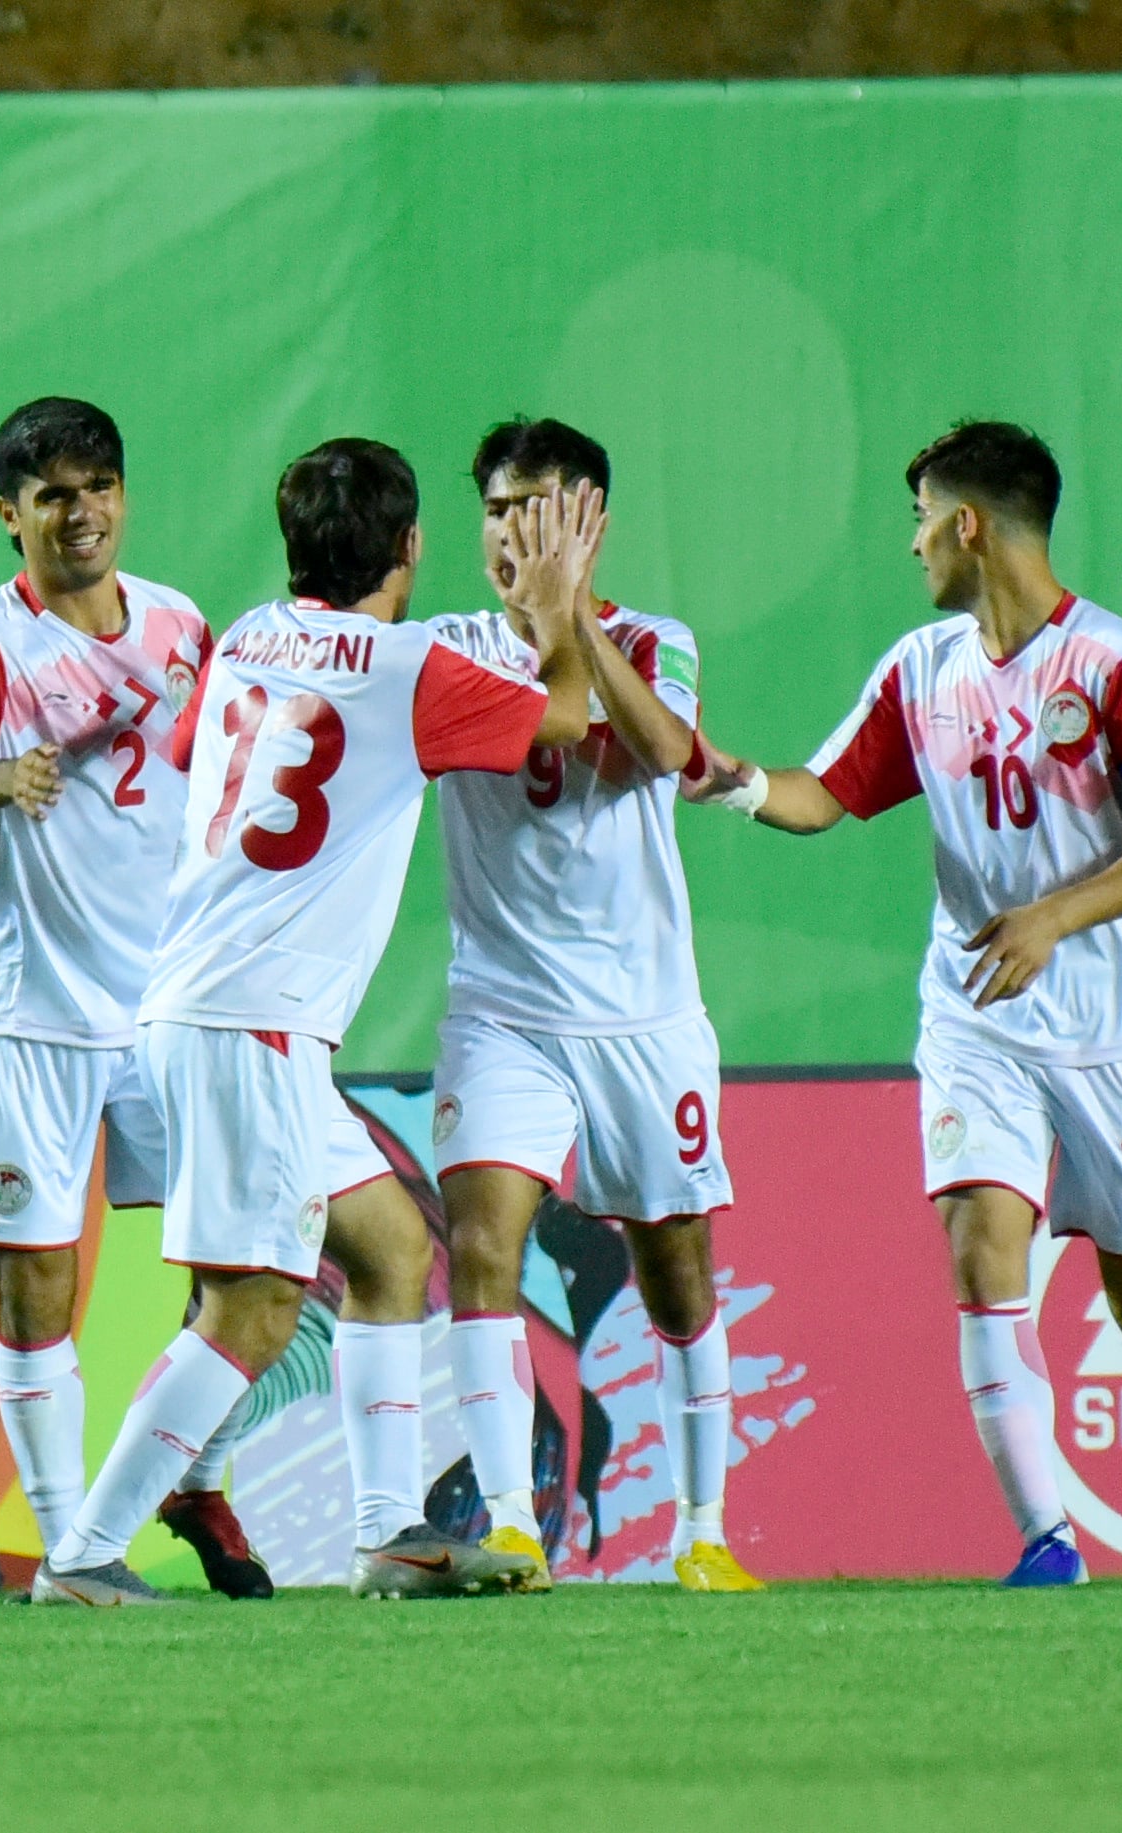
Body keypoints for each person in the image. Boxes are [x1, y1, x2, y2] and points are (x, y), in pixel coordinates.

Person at [34, 438, 592, 1605]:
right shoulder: (409, 666)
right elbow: (566, 721)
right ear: (407, 547)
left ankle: (389, 1531)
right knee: (256, 1304)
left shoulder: (241, 638)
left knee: (391, 1251)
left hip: (203, 1004)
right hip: (254, 1025)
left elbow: (191, 749)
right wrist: (554, 608)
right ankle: (86, 1554)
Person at [689, 422, 1122, 1589]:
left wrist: (1050, 918)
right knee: (982, 1250)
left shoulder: (1116, 668)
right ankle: (1046, 1541)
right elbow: (823, 796)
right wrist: (728, 781)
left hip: (1111, 1035)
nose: (910, 542)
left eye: (919, 516)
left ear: (967, 524)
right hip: (975, 1023)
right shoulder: (919, 670)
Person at [423, 417, 756, 1592]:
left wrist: (570, 624)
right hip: (502, 1011)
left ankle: (701, 1532)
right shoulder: (449, 647)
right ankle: (512, 1519)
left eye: (542, 507)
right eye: (499, 508)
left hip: (642, 1020)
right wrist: (534, 628)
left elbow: (669, 751)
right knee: (478, 1248)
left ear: (591, 520)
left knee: (676, 1276)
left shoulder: (655, 638)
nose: (516, 531)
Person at [0, 396, 227, 1601]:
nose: (78, 511)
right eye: (51, 495)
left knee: (232, 1266)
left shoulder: (182, 622)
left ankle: (195, 1485)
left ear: (122, 496)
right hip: (34, 1007)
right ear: (9, 515)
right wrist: (6, 774)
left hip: (164, 1004)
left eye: (96, 485)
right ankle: (66, 1552)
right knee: (35, 1284)